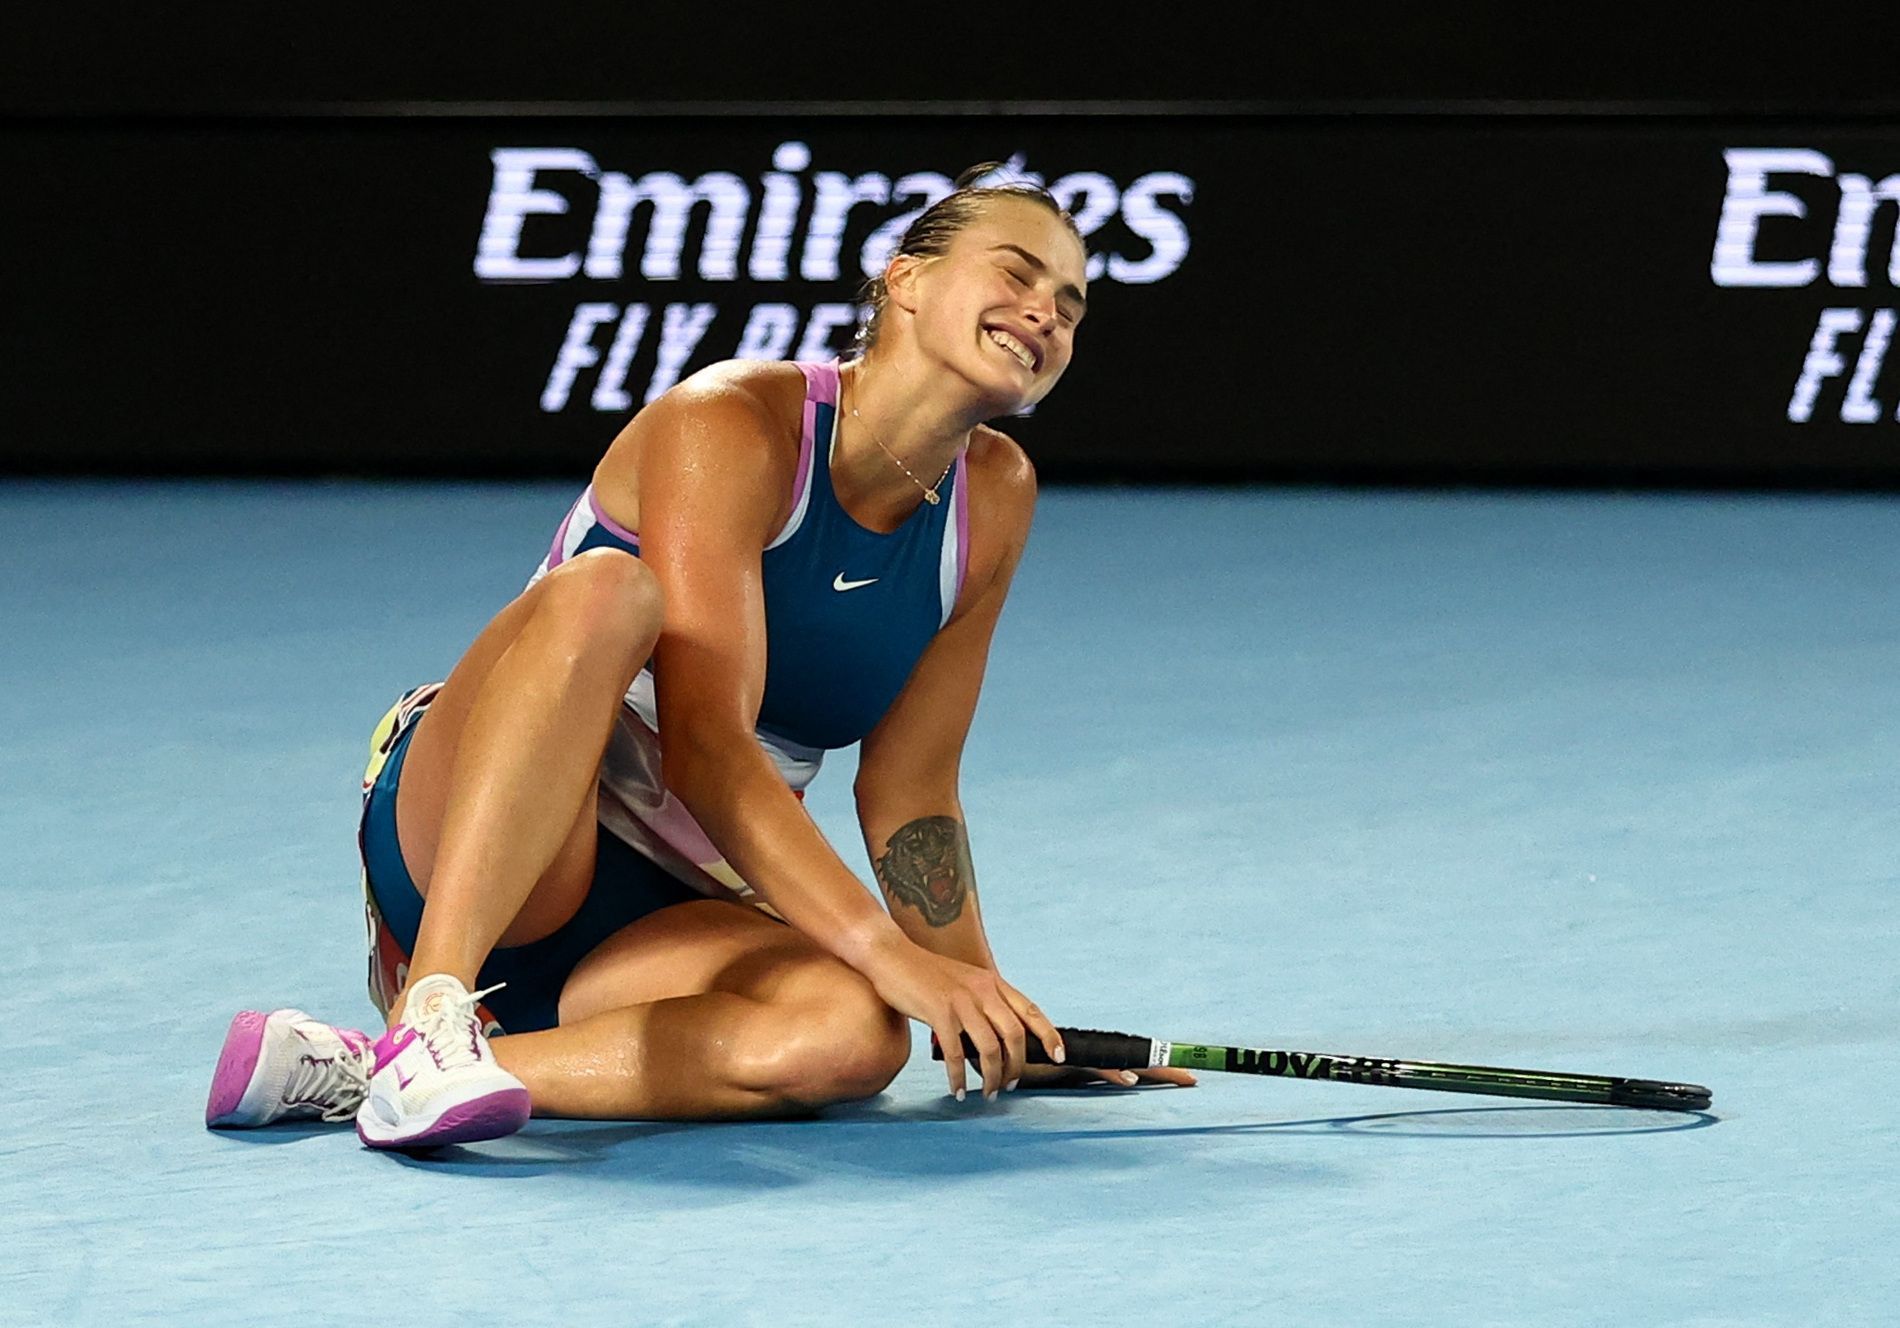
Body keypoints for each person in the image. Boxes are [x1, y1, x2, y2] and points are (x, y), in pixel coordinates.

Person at [205, 165, 1194, 1149]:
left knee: (853, 1038)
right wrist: (878, 947)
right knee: (607, 593)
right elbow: (707, 748)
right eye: (1016, 274)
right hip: (484, 833)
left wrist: (986, 1008)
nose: (1044, 314)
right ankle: (432, 1009)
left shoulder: (997, 495)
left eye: (1069, 303)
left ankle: (368, 1072)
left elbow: (913, 794)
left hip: (674, 908)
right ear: (905, 279)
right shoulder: (731, 421)